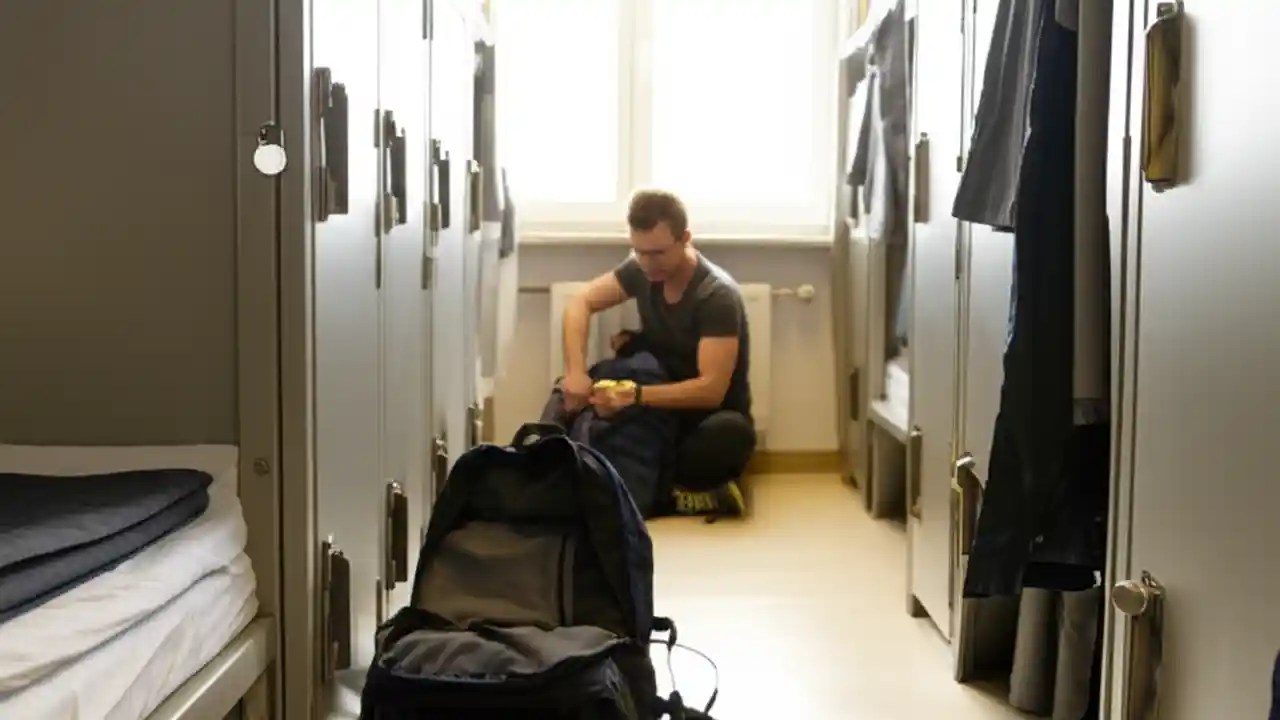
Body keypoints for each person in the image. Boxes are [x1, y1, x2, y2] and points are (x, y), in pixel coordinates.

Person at [561, 189, 756, 516]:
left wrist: (635, 396)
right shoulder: (641, 269)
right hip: (657, 401)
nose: (649, 264)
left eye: (659, 253)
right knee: (583, 403)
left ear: (686, 239)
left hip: (701, 413)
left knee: (730, 435)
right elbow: (580, 302)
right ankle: (672, 490)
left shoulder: (715, 296)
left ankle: (661, 486)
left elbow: (710, 390)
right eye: (640, 253)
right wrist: (575, 373)